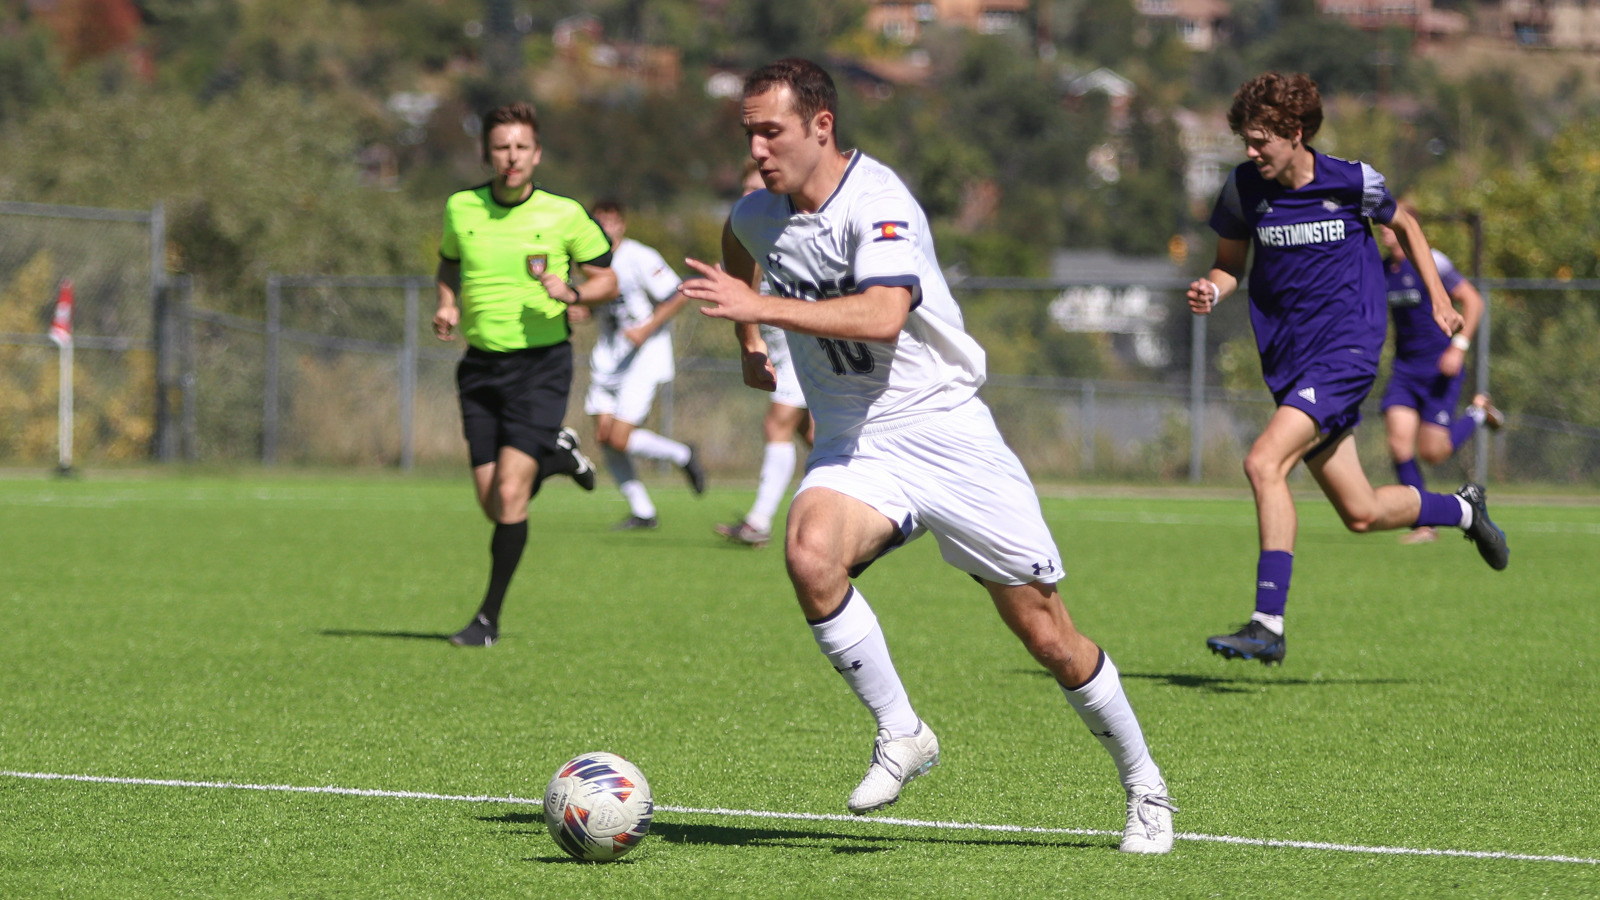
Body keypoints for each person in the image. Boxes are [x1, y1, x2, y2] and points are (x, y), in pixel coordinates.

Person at [680, 58, 1176, 854]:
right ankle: (902, 730)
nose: (757, 149)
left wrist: (758, 308)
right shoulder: (757, 213)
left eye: (771, 132)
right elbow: (737, 247)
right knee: (809, 553)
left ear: (821, 126)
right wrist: (748, 340)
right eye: (749, 133)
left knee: (1048, 635)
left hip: (945, 432)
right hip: (855, 440)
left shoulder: (878, 202)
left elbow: (882, 315)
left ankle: (1145, 785)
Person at [1186, 73, 1509, 666]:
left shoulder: (1352, 181)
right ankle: (1464, 509)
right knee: (1361, 512)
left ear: (1295, 131)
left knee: (1262, 462)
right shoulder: (1242, 189)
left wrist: (1440, 300)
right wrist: (1213, 287)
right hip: (1289, 364)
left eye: (1260, 140)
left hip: (1347, 353)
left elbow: (1405, 224)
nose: (1250, 151)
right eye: (1245, 141)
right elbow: (1229, 264)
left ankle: (1267, 623)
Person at [434, 101, 616, 648]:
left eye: (521, 147)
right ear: (486, 154)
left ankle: (486, 621)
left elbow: (607, 280)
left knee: (512, 494)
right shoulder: (461, 207)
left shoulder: (564, 214)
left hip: (541, 367)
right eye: (501, 148)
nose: (511, 157)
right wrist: (447, 303)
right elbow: (448, 262)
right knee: (492, 503)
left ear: (536, 154)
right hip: (479, 368)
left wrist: (574, 293)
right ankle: (558, 457)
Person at [1377, 212, 1504, 544]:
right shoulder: (1384, 268)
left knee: (1433, 452)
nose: (1384, 230)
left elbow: (1473, 300)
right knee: (1398, 443)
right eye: (1381, 225)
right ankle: (1424, 524)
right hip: (1405, 370)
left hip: (1440, 368)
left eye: (1390, 223)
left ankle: (1478, 413)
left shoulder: (1432, 261)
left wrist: (1459, 347)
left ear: (1407, 226)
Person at [582, 200, 706, 530]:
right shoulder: (589, 259)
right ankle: (643, 512)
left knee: (619, 438)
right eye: (598, 221)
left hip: (642, 357)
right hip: (608, 357)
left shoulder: (639, 256)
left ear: (622, 225)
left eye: (611, 221)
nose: (605, 228)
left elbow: (679, 293)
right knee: (604, 436)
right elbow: (596, 305)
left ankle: (682, 454)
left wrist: (645, 328)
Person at [714, 162, 815, 548]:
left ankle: (759, 522)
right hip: (779, 349)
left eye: (755, 189)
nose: (748, 196)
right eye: (744, 189)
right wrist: (750, 342)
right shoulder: (747, 232)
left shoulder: (789, 232)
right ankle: (883, 482)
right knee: (813, 433)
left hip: (803, 347)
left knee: (777, 425)